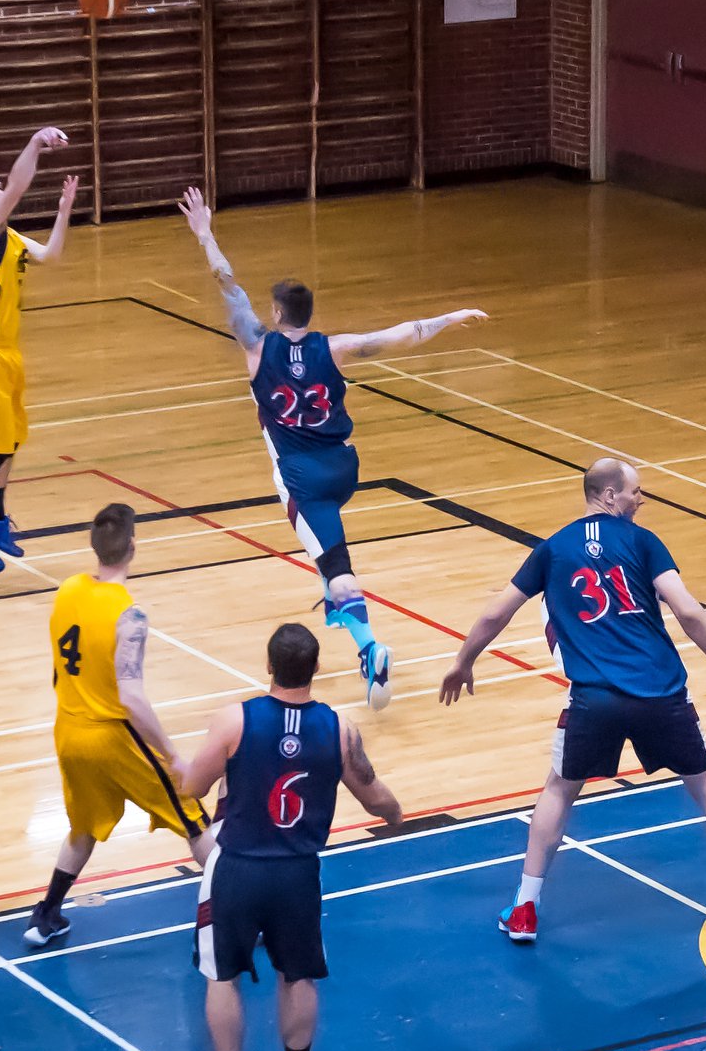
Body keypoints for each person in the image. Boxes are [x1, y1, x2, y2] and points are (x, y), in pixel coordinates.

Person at [438, 458, 706, 942]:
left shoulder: (554, 549)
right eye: (635, 492)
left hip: (594, 700)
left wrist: (463, 661)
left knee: (559, 790)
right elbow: (687, 611)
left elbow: (495, 613)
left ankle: (523, 909)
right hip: (660, 695)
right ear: (609, 495)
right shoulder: (643, 543)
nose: (641, 500)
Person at [177, 187, 486, 710]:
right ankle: (338, 599)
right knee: (327, 557)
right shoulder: (334, 348)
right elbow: (400, 335)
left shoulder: (256, 347)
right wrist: (450, 317)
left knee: (337, 567)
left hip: (302, 478)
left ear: (276, 313)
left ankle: (371, 648)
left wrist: (205, 233)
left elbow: (228, 285)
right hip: (345, 466)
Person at [183, 623, 403, 1051]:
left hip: (236, 867)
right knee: (298, 974)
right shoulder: (338, 729)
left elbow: (192, 786)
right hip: (297, 872)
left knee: (222, 976)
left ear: (269, 667)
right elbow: (374, 796)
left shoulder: (234, 720)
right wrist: (397, 815)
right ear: (317, 669)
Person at [24, 504, 212, 948]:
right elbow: (131, 698)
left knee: (83, 826)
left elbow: (58, 665)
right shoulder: (130, 615)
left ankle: (44, 914)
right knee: (194, 818)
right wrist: (171, 754)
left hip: (68, 730)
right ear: (133, 546)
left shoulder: (68, 589)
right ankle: (238, 916)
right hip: (111, 736)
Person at [0, 126, 79, 573]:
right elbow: (20, 183)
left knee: (12, 440)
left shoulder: (13, 237)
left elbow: (52, 256)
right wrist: (35, 142)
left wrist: (63, 212)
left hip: (6, 353)